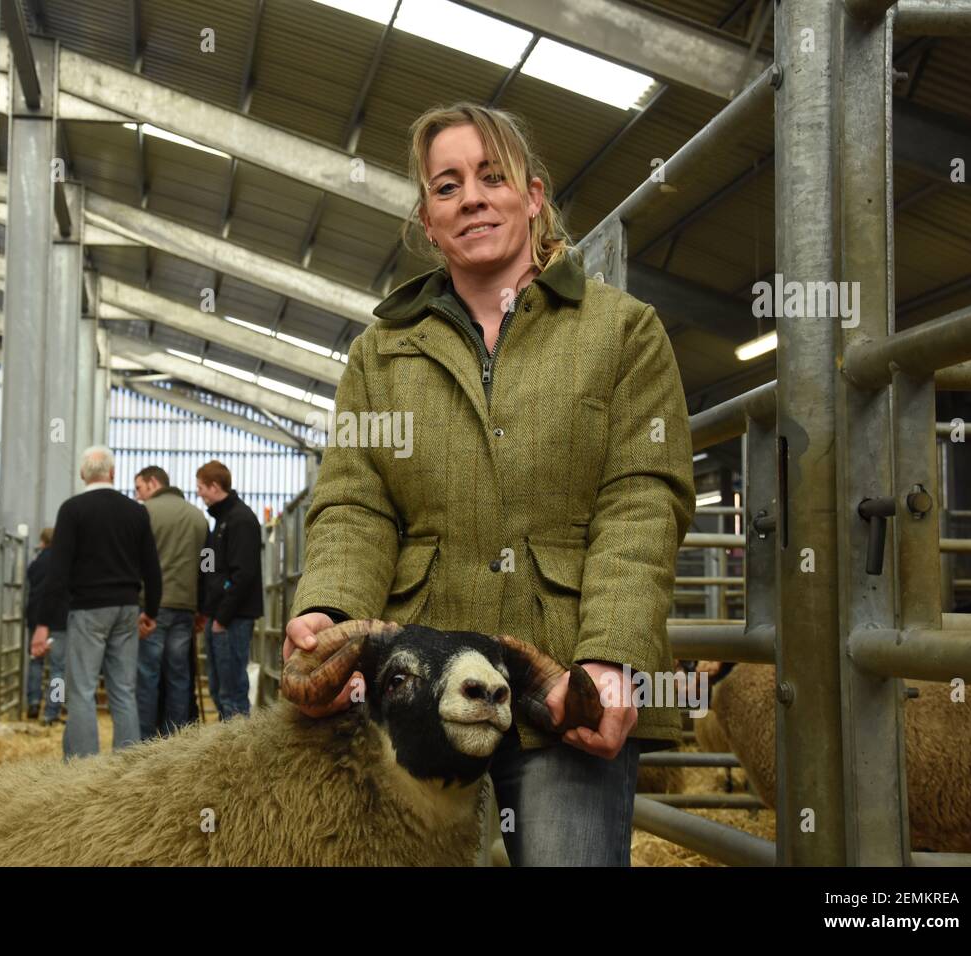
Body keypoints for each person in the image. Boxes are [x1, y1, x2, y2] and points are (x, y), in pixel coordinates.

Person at [282, 104, 695, 866]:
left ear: (532, 197)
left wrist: (609, 656)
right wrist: (327, 611)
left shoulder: (621, 332)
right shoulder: (383, 354)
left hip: (560, 685)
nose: (471, 196)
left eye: (490, 176)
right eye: (447, 186)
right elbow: (355, 501)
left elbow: (642, 499)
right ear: (428, 221)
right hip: (419, 695)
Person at [33, 446, 163, 759]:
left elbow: (58, 570)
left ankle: (83, 767)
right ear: (113, 473)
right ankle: (127, 767)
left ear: (82, 475)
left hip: (88, 609)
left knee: (82, 692)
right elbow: (152, 567)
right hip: (126, 609)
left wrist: (42, 623)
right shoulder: (136, 511)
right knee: (123, 691)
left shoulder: (72, 510)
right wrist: (151, 611)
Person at [133, 466, 210, 737]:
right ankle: (175, 741)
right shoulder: (199, 517)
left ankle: (143, 743)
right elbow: (207, 566)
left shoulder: (145, 513)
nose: (138, 496)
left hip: (152, 608)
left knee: (147, 675)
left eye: (139, 488)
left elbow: (136, 562)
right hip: (186, 607)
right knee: (179, 676)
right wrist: (203, 607)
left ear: (153, 483)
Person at [195, 460, 264, 720]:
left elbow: (243, 574)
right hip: (218, 616)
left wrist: (222, 617)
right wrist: (205, 609)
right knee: (217, 688)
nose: (199, 492)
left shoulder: (241, 520)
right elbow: (210, 567)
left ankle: (238, 754)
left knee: (232, 691)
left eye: (201, 486)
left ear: (214, 486)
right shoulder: (218, 523)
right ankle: (227, 748)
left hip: (232, 618)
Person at [24, 527, 66, 724]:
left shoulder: (36, 563)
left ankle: (33, 702)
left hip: (36, 618)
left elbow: (30, 580)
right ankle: (52, 711)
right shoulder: (65, 562)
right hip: (59, 621)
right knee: (58, 668)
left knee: (35, 662)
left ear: (43, 542)